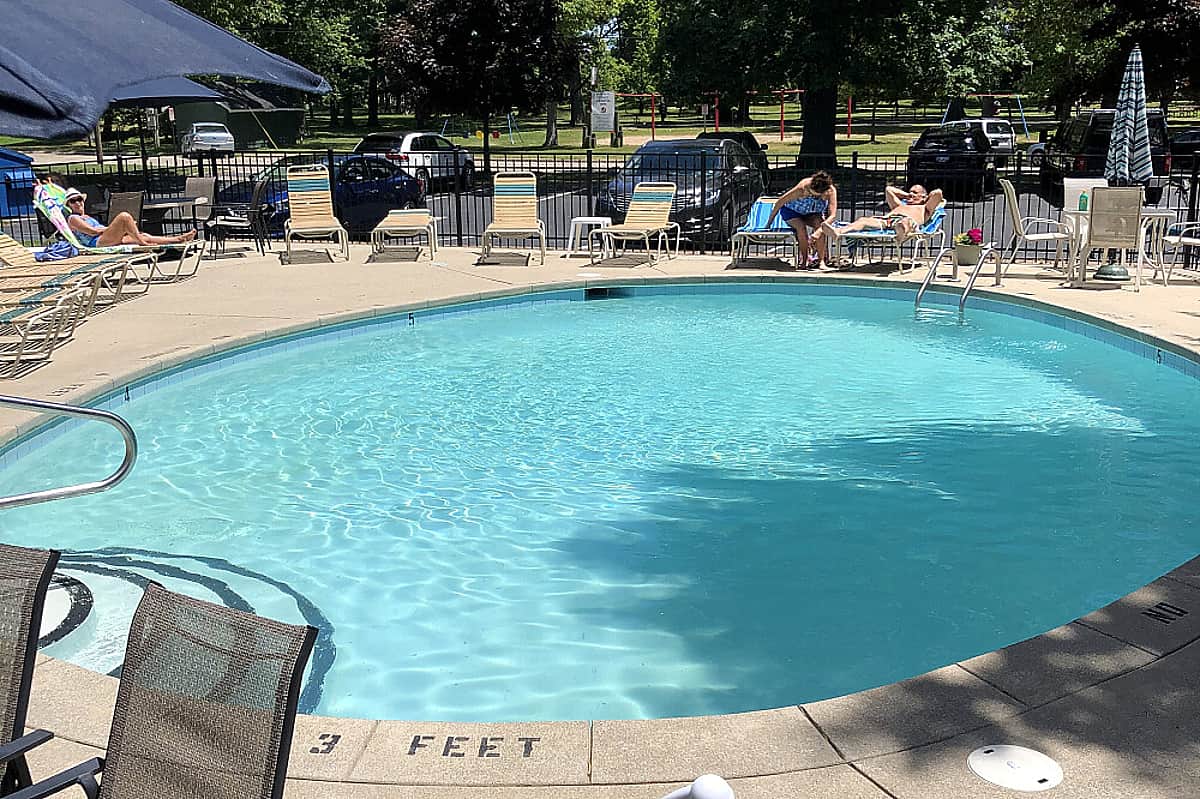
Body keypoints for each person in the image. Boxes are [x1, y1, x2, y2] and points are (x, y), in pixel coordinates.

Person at [59, 186, 196, 248]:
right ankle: (143, 244)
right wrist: (115, 228)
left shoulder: (87, 216)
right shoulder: (73, 219)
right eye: (73, 201)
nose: (77, 203)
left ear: (83, 201)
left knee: (144, 235)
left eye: (79, 199)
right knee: (124, 216)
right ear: (69, 205)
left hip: (105, 236)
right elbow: (92, 232)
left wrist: (120, 229)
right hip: (97, 241)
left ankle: (178, 239)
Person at [823, 184, 943, 246]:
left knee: (904, 223)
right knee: (863, 220)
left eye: (914, 192)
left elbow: (938, 194)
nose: (911, 193)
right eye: (910, 191)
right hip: (887, 221)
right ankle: (838, 232)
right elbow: (888, 189)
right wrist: (907, 196)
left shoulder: (925, 208)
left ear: (923, 196)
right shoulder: (900, 205)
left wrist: (925, 199)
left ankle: (900, 236)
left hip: (907, 221)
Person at [767, 170, 837, 269]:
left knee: (820, 224)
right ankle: (804, 260)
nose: (810, 195)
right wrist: (769, 222)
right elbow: (780, 202)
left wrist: (819, 231)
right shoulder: (802, 188)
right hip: (791, 212)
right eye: (810, 193)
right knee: (801, 228)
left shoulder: (830, 191)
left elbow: (832, 215)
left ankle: (821, 261)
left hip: (812, 213)